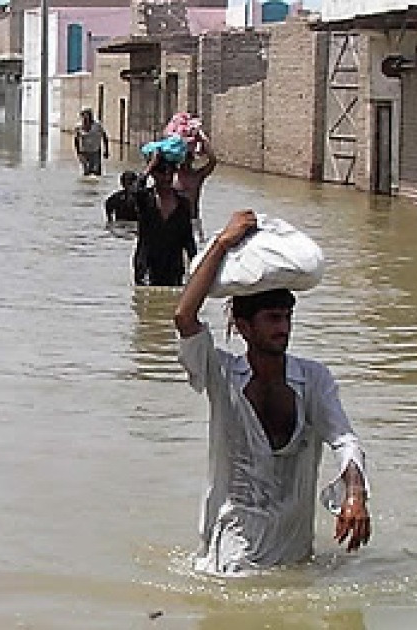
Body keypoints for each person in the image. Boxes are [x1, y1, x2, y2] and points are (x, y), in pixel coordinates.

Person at [173, 210, 371, 575]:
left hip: (294, 552)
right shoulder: (222, 375)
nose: (283, 328)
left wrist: (355, 493)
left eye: (287, 318)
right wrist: (222, 244)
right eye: (273, 319)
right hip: (230, 555)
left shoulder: (313, 379)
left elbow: (344, 440)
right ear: (245, 327)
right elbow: (185, 317)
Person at [134, 156, 196, 286]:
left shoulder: (183, 204)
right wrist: (149, 166)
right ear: (154, 175)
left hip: (173, 267)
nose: (166, 177)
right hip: (147, 266)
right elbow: (134, 190)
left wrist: (196, 267)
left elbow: (188, 240)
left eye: (170, 173)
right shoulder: (145, 199)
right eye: (162, 172)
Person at [174, 131, 217, 242]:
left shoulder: (197, 176)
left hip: (193, 220)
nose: (186, 162)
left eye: (188, 159)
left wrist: (203, 139)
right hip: (174, 221)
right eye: (184, 159)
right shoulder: (171, 176)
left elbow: (212, 161)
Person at [73, 107, 109, 176]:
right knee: (87, 172)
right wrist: (78, 153)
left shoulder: (97, 125)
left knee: (96, 172)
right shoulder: (78, 127)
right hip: (84, 152)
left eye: (87, 116)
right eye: (83, 116)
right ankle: (86, 186)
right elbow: (76, 140)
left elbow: (105, 137)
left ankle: (97, 185)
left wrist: (106, 150)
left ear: (90, 116)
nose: (85, 118)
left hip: (95, 152)